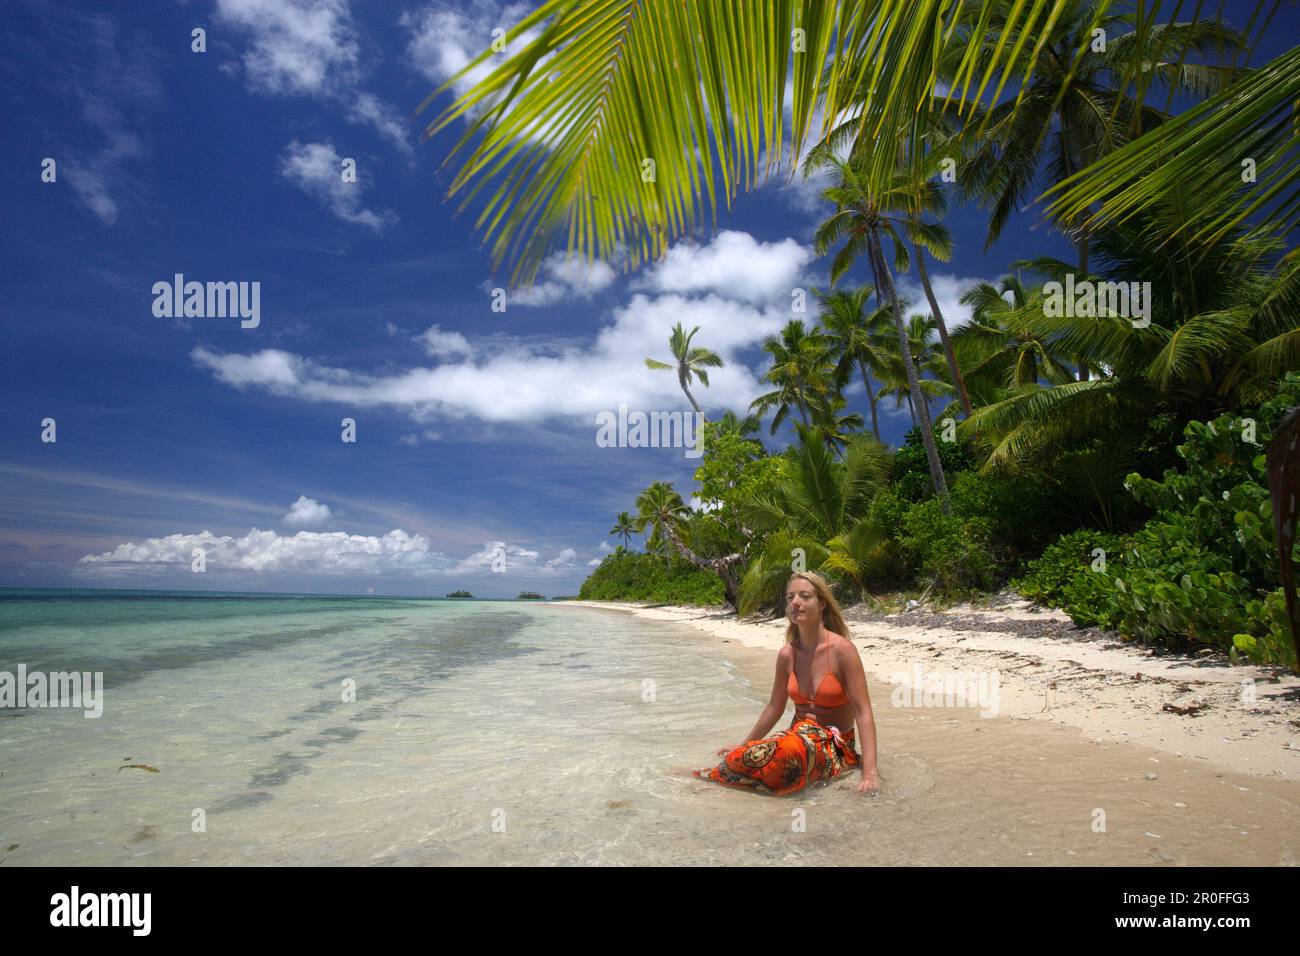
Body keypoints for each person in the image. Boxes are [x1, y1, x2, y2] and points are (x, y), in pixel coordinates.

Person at [694, 571, 880, 796]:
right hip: (795, 739)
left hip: (836, 745)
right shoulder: (786, 655)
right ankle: (704, 779)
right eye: (790, 597)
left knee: (781, 758)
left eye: (804, 596)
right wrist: (744, 745)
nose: (796, 603)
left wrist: (870, 773)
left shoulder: (843, 651)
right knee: (744, 757)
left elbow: (863, 711)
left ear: (821, 603)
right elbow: (775, 707)